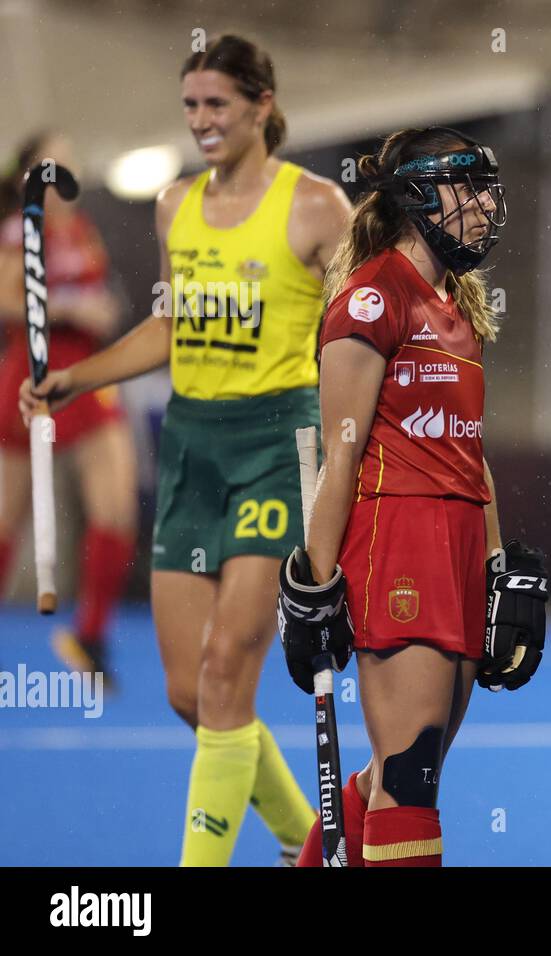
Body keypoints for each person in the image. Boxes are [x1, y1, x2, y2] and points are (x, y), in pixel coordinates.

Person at [20, 35, 353, 866]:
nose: (201, 122)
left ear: (261, 106)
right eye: (191, 107)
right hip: (192, 447)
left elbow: (361, 327)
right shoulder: (176, 205)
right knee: (188, 694)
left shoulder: (316, 208)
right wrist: (72, 378)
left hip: (279, 443)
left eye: (218, 105)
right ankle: (308, 842)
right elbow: (169, 327)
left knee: (223, 676)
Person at [278, 126, 547, 867]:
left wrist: (495, 563)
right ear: (419, 197)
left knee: (402, 770)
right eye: (470, 189)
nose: (485, 207)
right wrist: (314, 584)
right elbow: (343, 451)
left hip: (457, 541)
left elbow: (470, 449)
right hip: (398, 537)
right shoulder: (371, 300)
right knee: (410, 774)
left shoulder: (458, 302)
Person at [0, 132, 137, 685]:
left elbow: (98, 294)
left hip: (86, 375)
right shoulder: (20, 230)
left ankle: (92, 635)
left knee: (116, 507)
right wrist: (70, 309)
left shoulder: (80, 228)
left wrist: (100, 311)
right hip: (33, 373)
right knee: (7, 516)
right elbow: (7, 300)